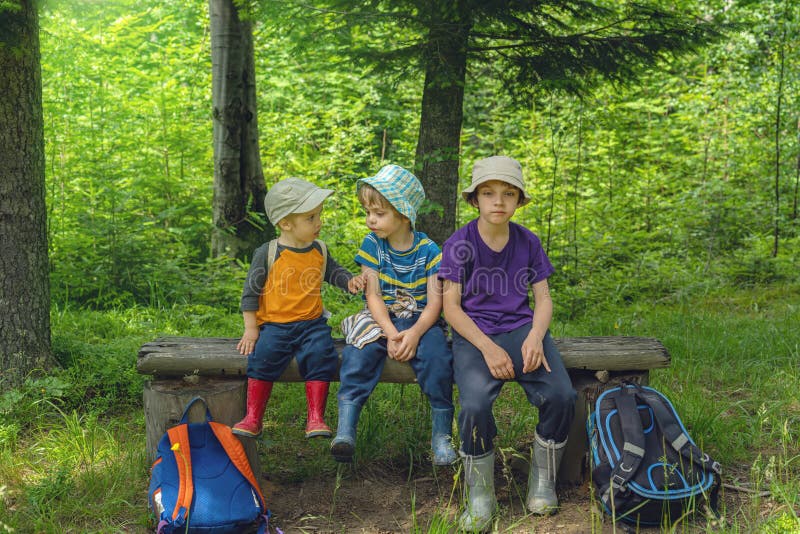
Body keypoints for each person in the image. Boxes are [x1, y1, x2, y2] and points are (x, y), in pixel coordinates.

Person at [438, 156, 576, 531]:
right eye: (489, 193)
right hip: (474, 333)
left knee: (562, 395)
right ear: (475, 200)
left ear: (518, 200)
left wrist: (534, 336)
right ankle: (480, 496)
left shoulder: (527, 241)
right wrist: (487, 347)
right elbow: (451, 308)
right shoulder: (459, 244)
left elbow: (543, 299)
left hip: (521, 328)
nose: (498, 201)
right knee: (475, 405)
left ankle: (542, 480)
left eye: (508, 193)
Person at [330, 164, 457, 466]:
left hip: (420, 319)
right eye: (367, 211)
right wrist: (389, 332)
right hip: (380, 316)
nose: (370, 219)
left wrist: (413, 333)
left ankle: (441, 437)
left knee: (438, 357)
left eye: (379, 213)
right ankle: (346, 429)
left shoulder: (429, 251)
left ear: (403, 214)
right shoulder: (372, 244)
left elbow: (435, 304)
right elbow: (372, 295)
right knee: (357, 353)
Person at [233, 177, 364, 440]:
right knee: (263, 356)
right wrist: (251, 329)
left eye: (319, 216)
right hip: (275, 325)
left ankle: (315, 417)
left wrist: (349, 280)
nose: (319, 223)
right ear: (285, 223)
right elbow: (250, 293)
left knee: (321, 354)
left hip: (311, 324)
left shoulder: (319, 250)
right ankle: (253, 417)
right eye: (311, 218)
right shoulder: (268, 253)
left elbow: (333, 272)